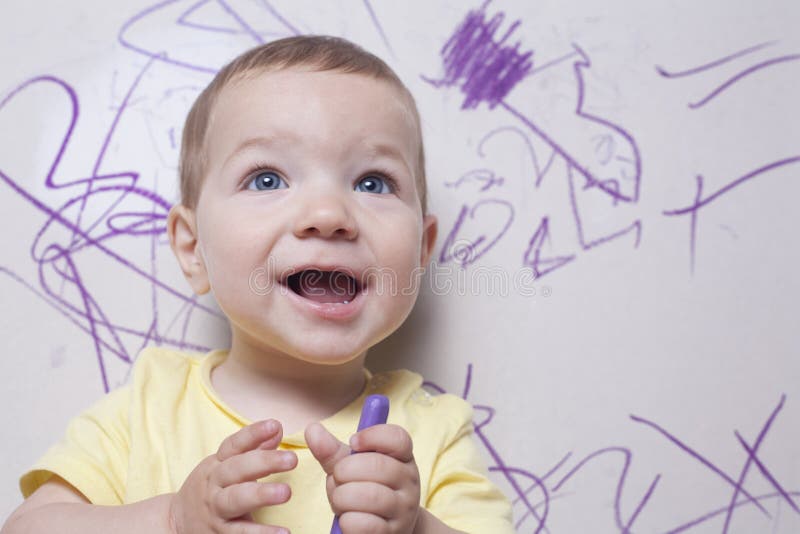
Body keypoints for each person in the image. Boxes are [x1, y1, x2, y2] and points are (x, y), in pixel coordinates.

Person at [2, 36, 514, 534]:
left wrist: (415, 526)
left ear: (422, 252)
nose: (328, 214)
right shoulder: (148, 408)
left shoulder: (432, 432)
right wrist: (170, 520)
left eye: (372, 182)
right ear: (192, 247)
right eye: (267, 179)